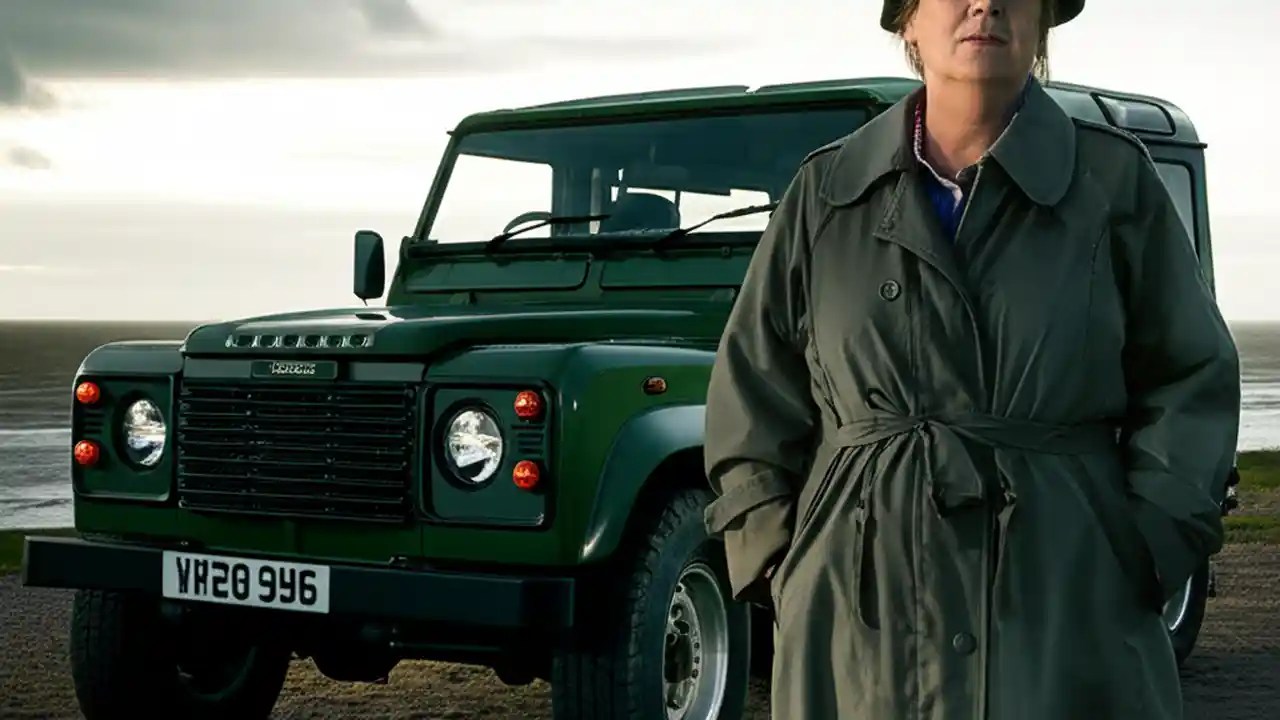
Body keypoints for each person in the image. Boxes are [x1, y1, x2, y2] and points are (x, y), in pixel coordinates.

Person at [701, 0, 1241, 718]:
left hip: (1070, 603)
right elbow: (753, 389)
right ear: (907, 22)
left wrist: (1141, 546)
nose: (985, 3)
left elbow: (1191, 374)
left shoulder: (1113, 183)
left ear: (1042, 21)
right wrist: (783, 560)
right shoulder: (827, 194)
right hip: (857, 614)